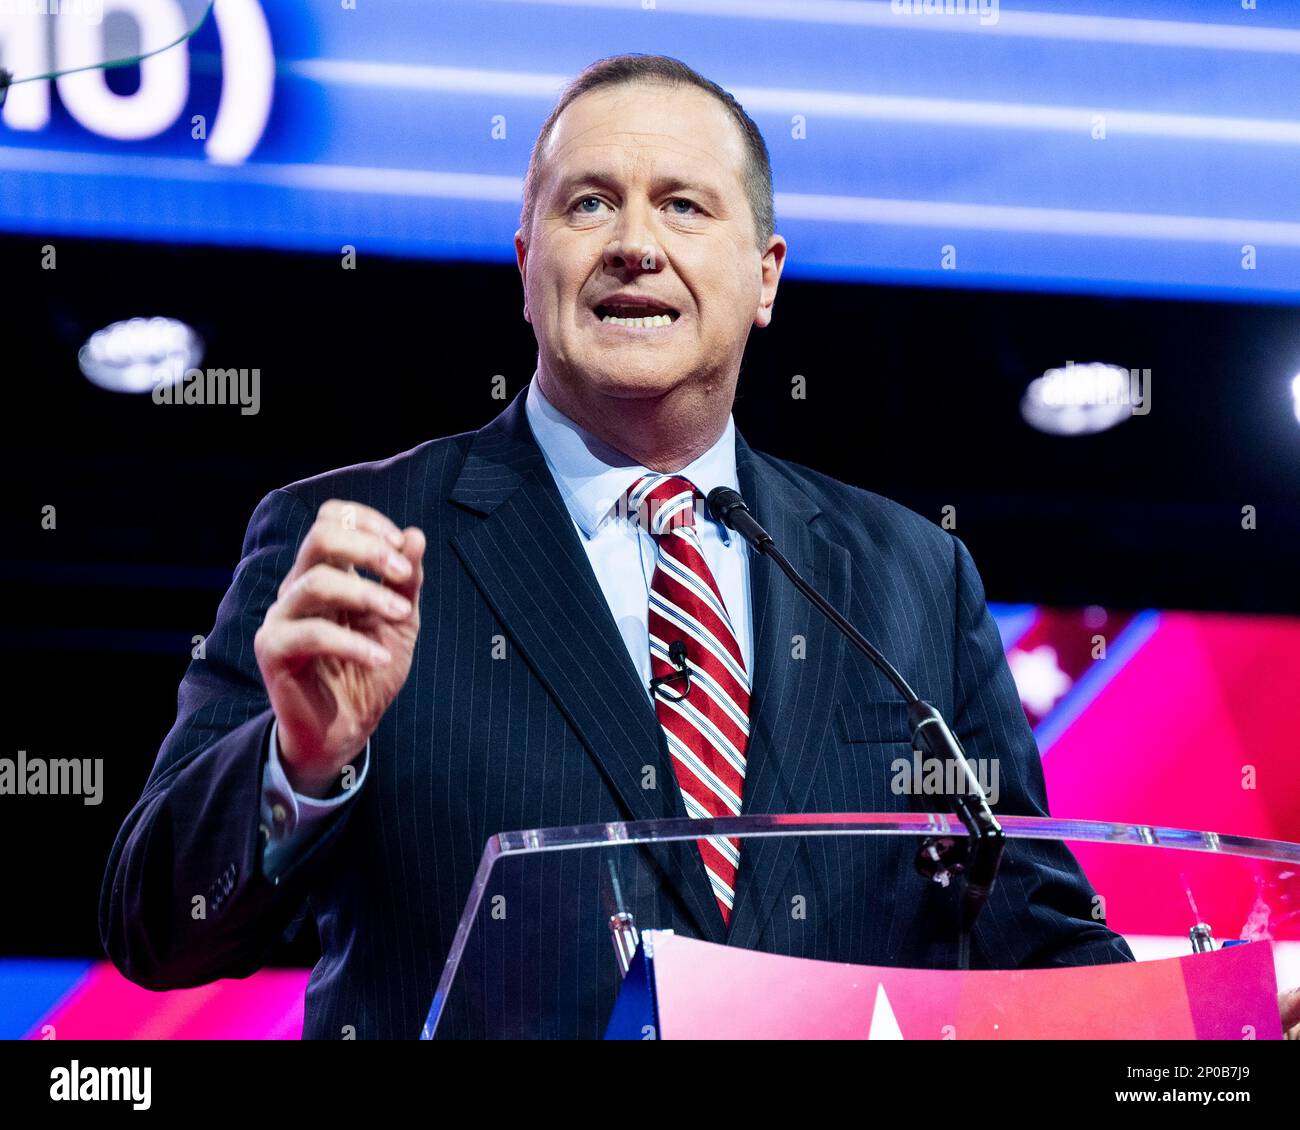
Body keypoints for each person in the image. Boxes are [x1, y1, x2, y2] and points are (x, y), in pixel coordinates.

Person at [102, 54, 1272, 1040]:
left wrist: (1233, 1008)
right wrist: (295, 768)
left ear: (764, 276)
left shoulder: (910, 575)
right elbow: (156, 927)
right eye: (588, 203)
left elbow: (1028, 938)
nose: (633, 244)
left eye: (684, 204)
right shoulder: (362, 542)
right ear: (526, 265)